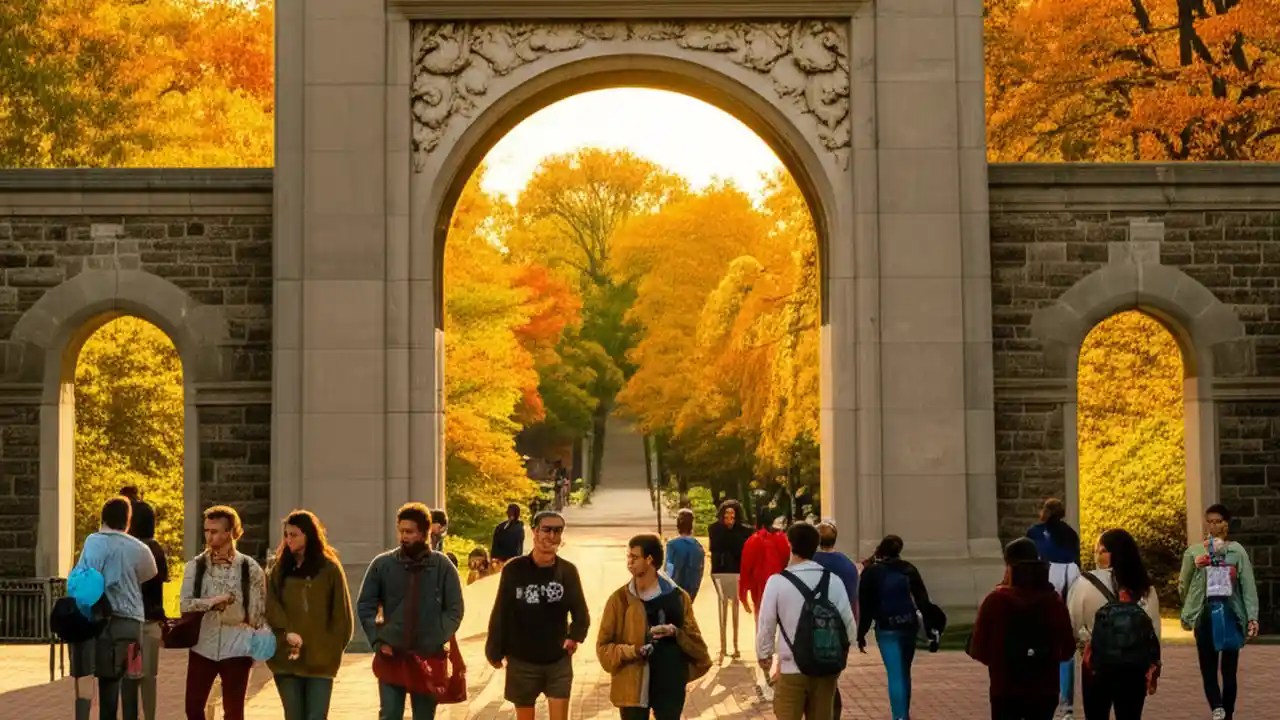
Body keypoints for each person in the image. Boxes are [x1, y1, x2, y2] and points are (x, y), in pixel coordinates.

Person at [358, 502, 464, 720]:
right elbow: (365, 605)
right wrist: (379, 639)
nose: (404, 537)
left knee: (424, 716)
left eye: (410, 532)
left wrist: (436, 636)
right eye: (401, 531)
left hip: (428, 657)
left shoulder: (442, 566)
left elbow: (454, 609)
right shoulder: (383, 564)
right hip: (392, 655)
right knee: (389, 715)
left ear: (425, 533)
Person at [486, 511, 590, 720]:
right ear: (534, 532)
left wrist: (574, 636)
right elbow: (501, 612)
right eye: (546, 529)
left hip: (557, 660)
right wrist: (494, 649)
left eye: (557, 531)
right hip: (522, 660)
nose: (551, 536)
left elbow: (581, 612)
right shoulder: (514, 569)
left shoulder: (568, 571)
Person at [598, 533, 712, 720]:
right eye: (628, 557)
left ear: (649, 559)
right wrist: (632, 651)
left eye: (634, 557)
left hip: (670, 684)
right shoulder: (619, 600)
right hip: (632, 689)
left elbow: (698, 646)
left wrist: (675, 632)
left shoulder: (678, 597)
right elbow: (603, 649)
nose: (629, 562)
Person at [69, 496, 158, 720]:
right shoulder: (139, 548)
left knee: (108, 678)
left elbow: (83, 576)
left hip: (102, 621)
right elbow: (149, 573)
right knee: (132, 678)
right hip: (133, 622)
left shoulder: (93, 541)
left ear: (103, 517)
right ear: (128, 521)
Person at [967, 538, 1076, 720]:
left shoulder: (995, 601)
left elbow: (979, 649)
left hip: (1006, 688)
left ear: (1009, 566)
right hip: (1044, 688)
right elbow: (1067, 649)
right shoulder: (1052, 601)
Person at [756, 523, 854, 720]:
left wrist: (764, 655)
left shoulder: (777, 582)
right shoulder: (833, 580)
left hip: (791, 667)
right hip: (825, 669)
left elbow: (766, 624)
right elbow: (849, 628)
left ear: (790, 545)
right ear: (816, 546)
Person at [265, 510, 354, 720]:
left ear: (309, 535)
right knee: (293, 716)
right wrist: (284, 633)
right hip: (286, 658)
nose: (288, 540)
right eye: (286, 535)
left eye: (294, 534)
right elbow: (270, 605)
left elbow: (342, 615)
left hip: (321, 662)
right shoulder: (279, 569)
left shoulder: (329, 569)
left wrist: (330, 649)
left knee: (316, 716)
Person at [180, 505, 267, 720]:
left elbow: (258, 613)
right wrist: (211, 603)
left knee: (234, 712)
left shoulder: (250, 568)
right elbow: (185, 604)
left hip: (237, 647)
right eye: (207, 531)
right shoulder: (196, 566)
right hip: (203, 646)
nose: (209, 537)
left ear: (230, 532)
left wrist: (234, 608)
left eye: (215, 531)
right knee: (193, 707)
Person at [1066, 529, 1161, 720]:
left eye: (1101, 550)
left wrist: (1086, 644)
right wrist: (1154, 665)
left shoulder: (1085, 583)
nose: (1097, 555)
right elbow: (1154, 632)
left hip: (1097, 663)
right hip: (1134, 666)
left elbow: (1074, 623)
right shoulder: (1145, 587)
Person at [1179, 504, 1260, 720]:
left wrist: (1252, 616)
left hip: (1231, 612)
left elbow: (1248, 585)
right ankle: (1217, 708)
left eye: (1218, 521)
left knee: (1229, 669)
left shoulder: (1237, 551)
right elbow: (1183, 584)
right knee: (1208, 666)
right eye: (1210, 521)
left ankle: (1228, 711)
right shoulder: (1195, 552)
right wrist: (1198, 574)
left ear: (1226, 523)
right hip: (1205, 614)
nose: (1213, 525)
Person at [856, 535, 932, 720]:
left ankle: (899, 716)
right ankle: (904, 712)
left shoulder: (872, 572)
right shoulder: (908, 569)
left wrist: (861, 633)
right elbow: (923, 600)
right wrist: (930, 626)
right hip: (908, 624)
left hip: (886, 627)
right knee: (904, 671)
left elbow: (865, 606)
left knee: (895, 673)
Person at [1026, 498, 1082, 719]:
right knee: (1065, 640)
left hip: (1047, 574)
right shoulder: (1070, 533)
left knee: (1040, 638)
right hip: (1071, 574)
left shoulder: (1035, 532)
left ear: (1045, 512)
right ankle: (1066, 705)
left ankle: (1039, 695)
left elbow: (1030, 560)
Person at [122, 491, 167, 720]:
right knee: (149, 677)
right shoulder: (156, 548)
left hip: (133, 622)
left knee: (131, 677)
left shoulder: (133, 550)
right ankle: (150, 716)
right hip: (151, 620)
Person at [811, 521, 859, 719]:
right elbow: (853, 599)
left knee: (815, 681)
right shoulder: (848, 564)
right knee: (831, 679)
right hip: (840, 630)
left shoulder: (810, 563)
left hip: (815, 628)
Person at [707, 499, 751, 659]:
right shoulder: (714, 529)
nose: (729, 516)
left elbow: (741, 548)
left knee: (735, 608)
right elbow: (716, 547)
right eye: (726, 513)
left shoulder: (745, 531)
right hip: (720, 571)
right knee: (722, 607)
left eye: (732, 513)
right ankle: (723, 646)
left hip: (737, 571)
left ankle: (735, 645)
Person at [740, 508, 791, 617]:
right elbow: (787, 562)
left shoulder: (753, 540)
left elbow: (745, 567)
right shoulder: (782, 539)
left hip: (758, 587)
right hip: (778, 585)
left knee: (760, 620)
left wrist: (742, 593)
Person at [664, 509, 705, 601]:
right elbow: (700, 570)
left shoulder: (672, 544)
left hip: (675, 587)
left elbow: (669, 568)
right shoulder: (698, 546)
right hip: (692, 587)